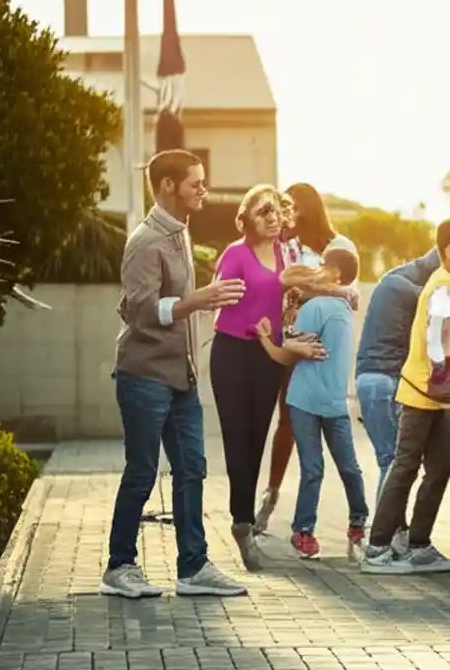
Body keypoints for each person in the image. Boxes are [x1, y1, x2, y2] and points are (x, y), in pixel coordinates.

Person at [101, 149, 248, 598]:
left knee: (192, 470)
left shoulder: (180, 232)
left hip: (180, 377)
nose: (203, 188)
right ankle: (119, 567)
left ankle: (193, 567)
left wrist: (203, 304)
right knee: (143, 471)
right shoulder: (145, 241)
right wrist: (196, 301)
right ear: (168, 185)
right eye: (195, 182)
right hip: (144, 376)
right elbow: (141, 310)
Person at [210, 184, 324, 570]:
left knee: (257, 436)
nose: (273, 217)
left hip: (267, 355)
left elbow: (308, 282)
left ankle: (242, 522)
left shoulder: (286, 253)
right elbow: (221, 296)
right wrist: (235, 299)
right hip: (230, 352)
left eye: (276, 210)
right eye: (263, 211)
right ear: (244, 220)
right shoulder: (235, 254)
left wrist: (341, 290)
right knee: (236, 436)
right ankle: (241, 520)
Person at [361, 216, 450, 574]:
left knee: (442, 465)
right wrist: (442, 371)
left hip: (436, 395)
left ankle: (418, 545)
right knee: (405, 466)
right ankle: (378, 549)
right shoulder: (443, 285)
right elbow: (433, 335)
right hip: (422, 391)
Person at [354, 248, 450, 527]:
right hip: (394, 382)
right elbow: (435, 342)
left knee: (406, 463)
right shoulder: (428, 290)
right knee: (398, 464)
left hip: (384, 380)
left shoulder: (402, 281)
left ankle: (398, 540)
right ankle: (386, 541)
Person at [254, 182, 358, 534]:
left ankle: (354, 517)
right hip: (285, 339)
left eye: (291, 208)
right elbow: (283, 282)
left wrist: (315, 287)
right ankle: (269, 496)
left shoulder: (338, 247)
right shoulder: (280, 247)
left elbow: (351, 293)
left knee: (311, 428)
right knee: (281, 421)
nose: (284, 216)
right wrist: (323, 285)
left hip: (318, 347)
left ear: (308, 208)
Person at [255, 247, 368, 560]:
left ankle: (316, 529)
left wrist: (271, 340)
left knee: (328, 468)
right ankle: (319, 529)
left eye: (324, 265)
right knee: (333, 468)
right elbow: (290, 350)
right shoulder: (336, 304)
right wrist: (271, 338)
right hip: (307, 402)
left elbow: (284, 352)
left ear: (338, 273)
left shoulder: (325, 306)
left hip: (321, 402)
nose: (318, 268)